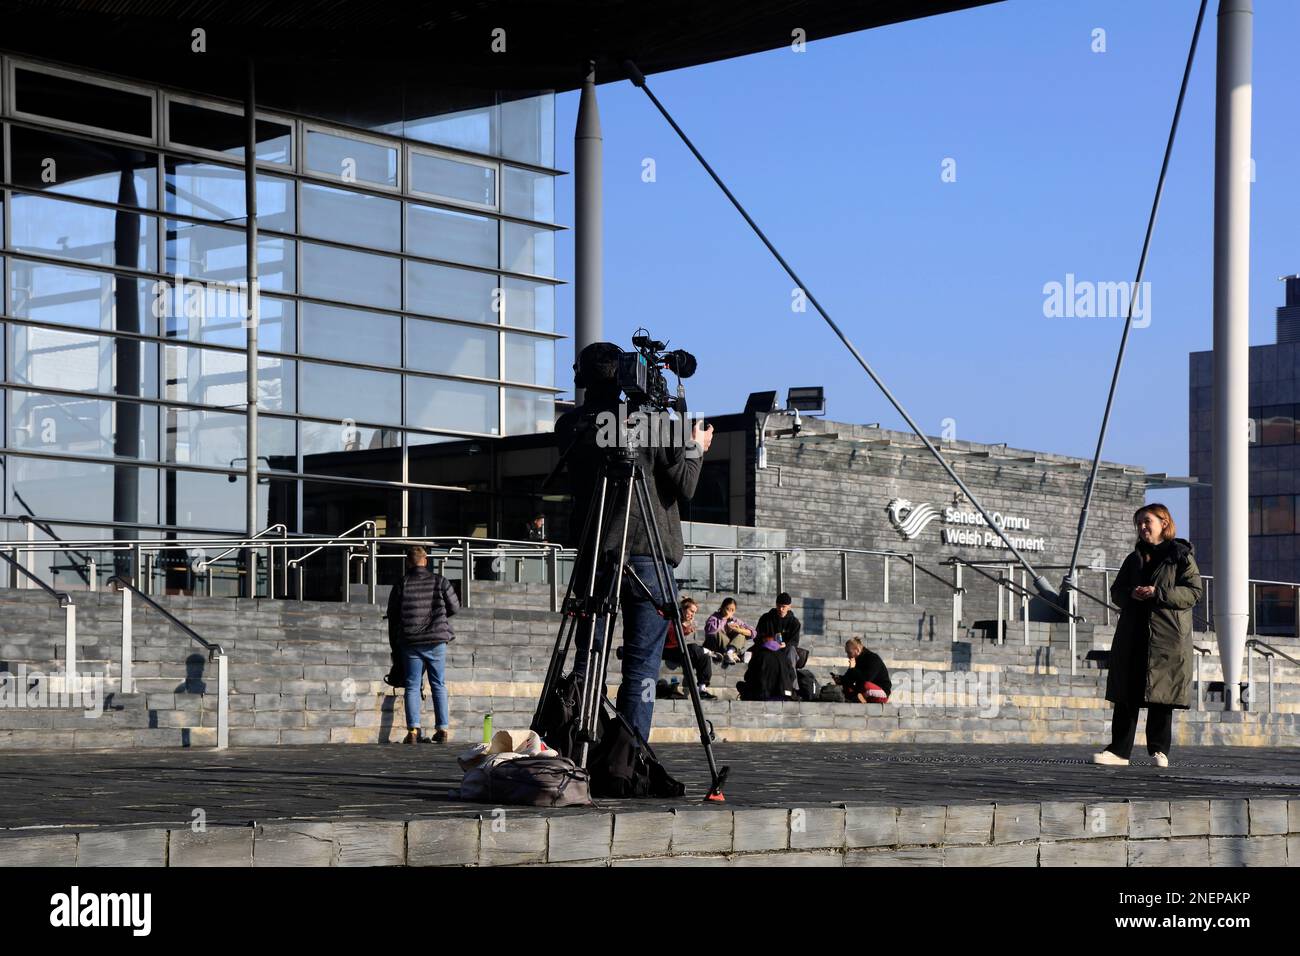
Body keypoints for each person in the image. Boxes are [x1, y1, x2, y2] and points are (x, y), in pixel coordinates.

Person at [557, 342, 714, 744]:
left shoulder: (570, 426)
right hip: (650, 556)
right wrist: (695, 446)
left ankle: (575, 746)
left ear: (581, 377)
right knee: (642, 668)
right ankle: (628, 760)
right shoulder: (653, 424)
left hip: (597, 557)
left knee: (586, 659)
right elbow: (686, 484)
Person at [1093, 503, 1203, 768]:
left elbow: (1193, 592)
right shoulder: (1134, 559)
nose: (1142, 527)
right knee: (1126, 695)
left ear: (1163, 523)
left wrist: (1158, 593)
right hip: (1133, 634)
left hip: (1167, 637)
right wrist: (1131, 593)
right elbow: (1117, 591)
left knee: (1161, 696)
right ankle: (1118, 752)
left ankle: (1159, 751)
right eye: (1139, 523)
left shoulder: (1180, 556)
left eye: (1147, 521)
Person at [386, 544, 460, 744]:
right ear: (425, 561)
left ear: (409, 562)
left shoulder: (402, 583)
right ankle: (443, 729)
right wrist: (439, 619)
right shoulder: (440, 581)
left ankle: (413, 730)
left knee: (411, 685)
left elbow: (393, 615)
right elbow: (454, 607)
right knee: (438, 685)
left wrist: (396, 641)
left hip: (410, 641)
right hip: (436, 640)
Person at [663, 597, 715, 699]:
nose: (692, 615)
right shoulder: (671, 618)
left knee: (704, 657)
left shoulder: (684, 621)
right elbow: (671, 638)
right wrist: (684, 627)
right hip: (666, 650)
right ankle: (706, 650)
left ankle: (702, 689)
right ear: (683, 608)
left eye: (694, 612)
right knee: (694, 648)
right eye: (691, 611)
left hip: (678, 650)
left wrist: (686, 628)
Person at [757, 592, 802, 674]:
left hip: (785, 650)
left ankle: (791, 683)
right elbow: (757, 636)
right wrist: (767, 641)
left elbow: (794, 641)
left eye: (783, 607)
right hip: (768, 649)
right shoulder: (766, 618)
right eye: (779, 606)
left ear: (789, 607)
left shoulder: (794, 623)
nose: (781, 609)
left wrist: (785, 644)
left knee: (792, 651)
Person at [837, 637, 891, 703]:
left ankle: (857, 697)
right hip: (864, 692)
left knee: (866, 685)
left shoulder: (873, 658)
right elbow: (850, 679)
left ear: (857, 650)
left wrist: (852, 669)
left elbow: (867, 679)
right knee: (846, 686)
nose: (848, 656)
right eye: (847, 653)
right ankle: (858, 698)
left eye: (849, 652)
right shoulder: (856, 660)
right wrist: (840, 679)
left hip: (881, 692)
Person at [703, 597, 754, 666]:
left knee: (741, 633)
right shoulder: (714, 618)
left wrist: (738, 629)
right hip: (716, 646)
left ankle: (730, 652)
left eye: (732, 610)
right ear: (722, 607)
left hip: (729, 647)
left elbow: (753, 633)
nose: (729, 612)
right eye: (727, 609)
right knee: (717, 632)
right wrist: (724, 618)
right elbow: (710, 630)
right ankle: (735, 655)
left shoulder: (735, 620)